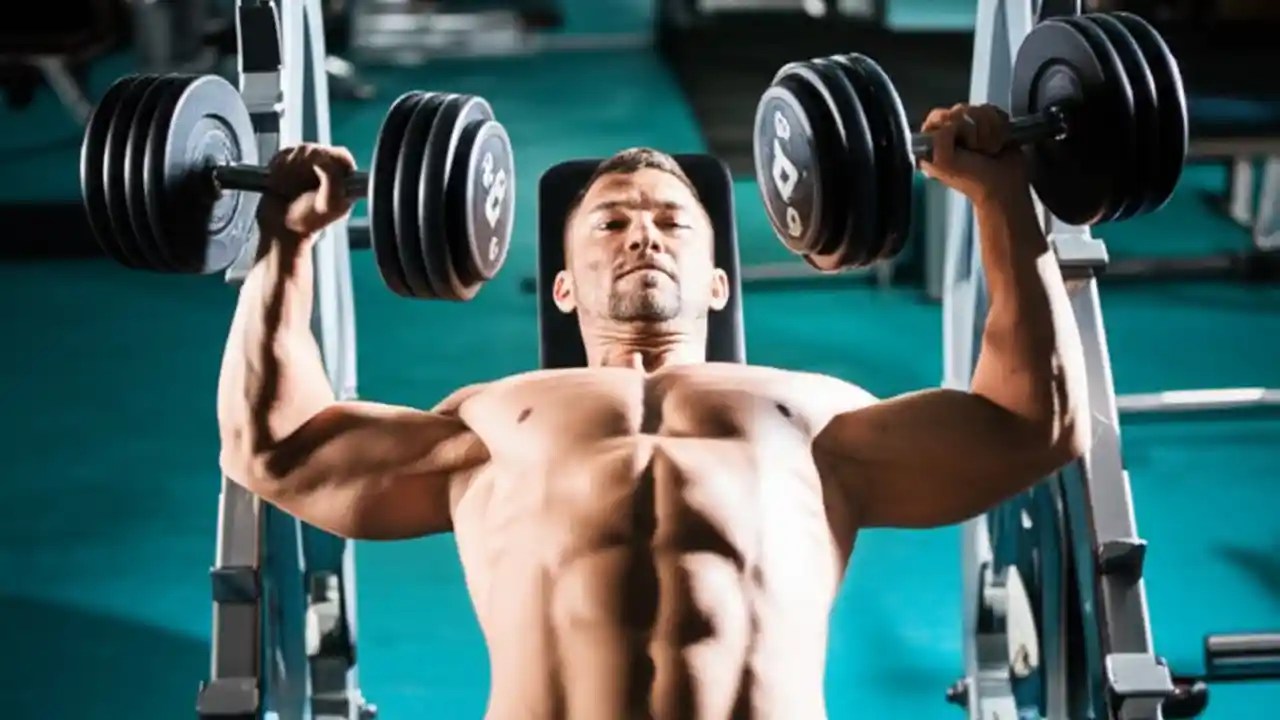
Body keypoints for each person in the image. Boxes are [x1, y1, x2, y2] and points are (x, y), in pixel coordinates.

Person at [216, 103, 1089, 719]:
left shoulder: (813, 414)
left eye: (675, 222)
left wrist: (1002, 199)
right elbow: (276, 451)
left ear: (719, 282)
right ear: (562, 288)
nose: (644, 234)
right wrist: (286, 244)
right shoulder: (488, 418)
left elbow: (1032, 427)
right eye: (610, 224)